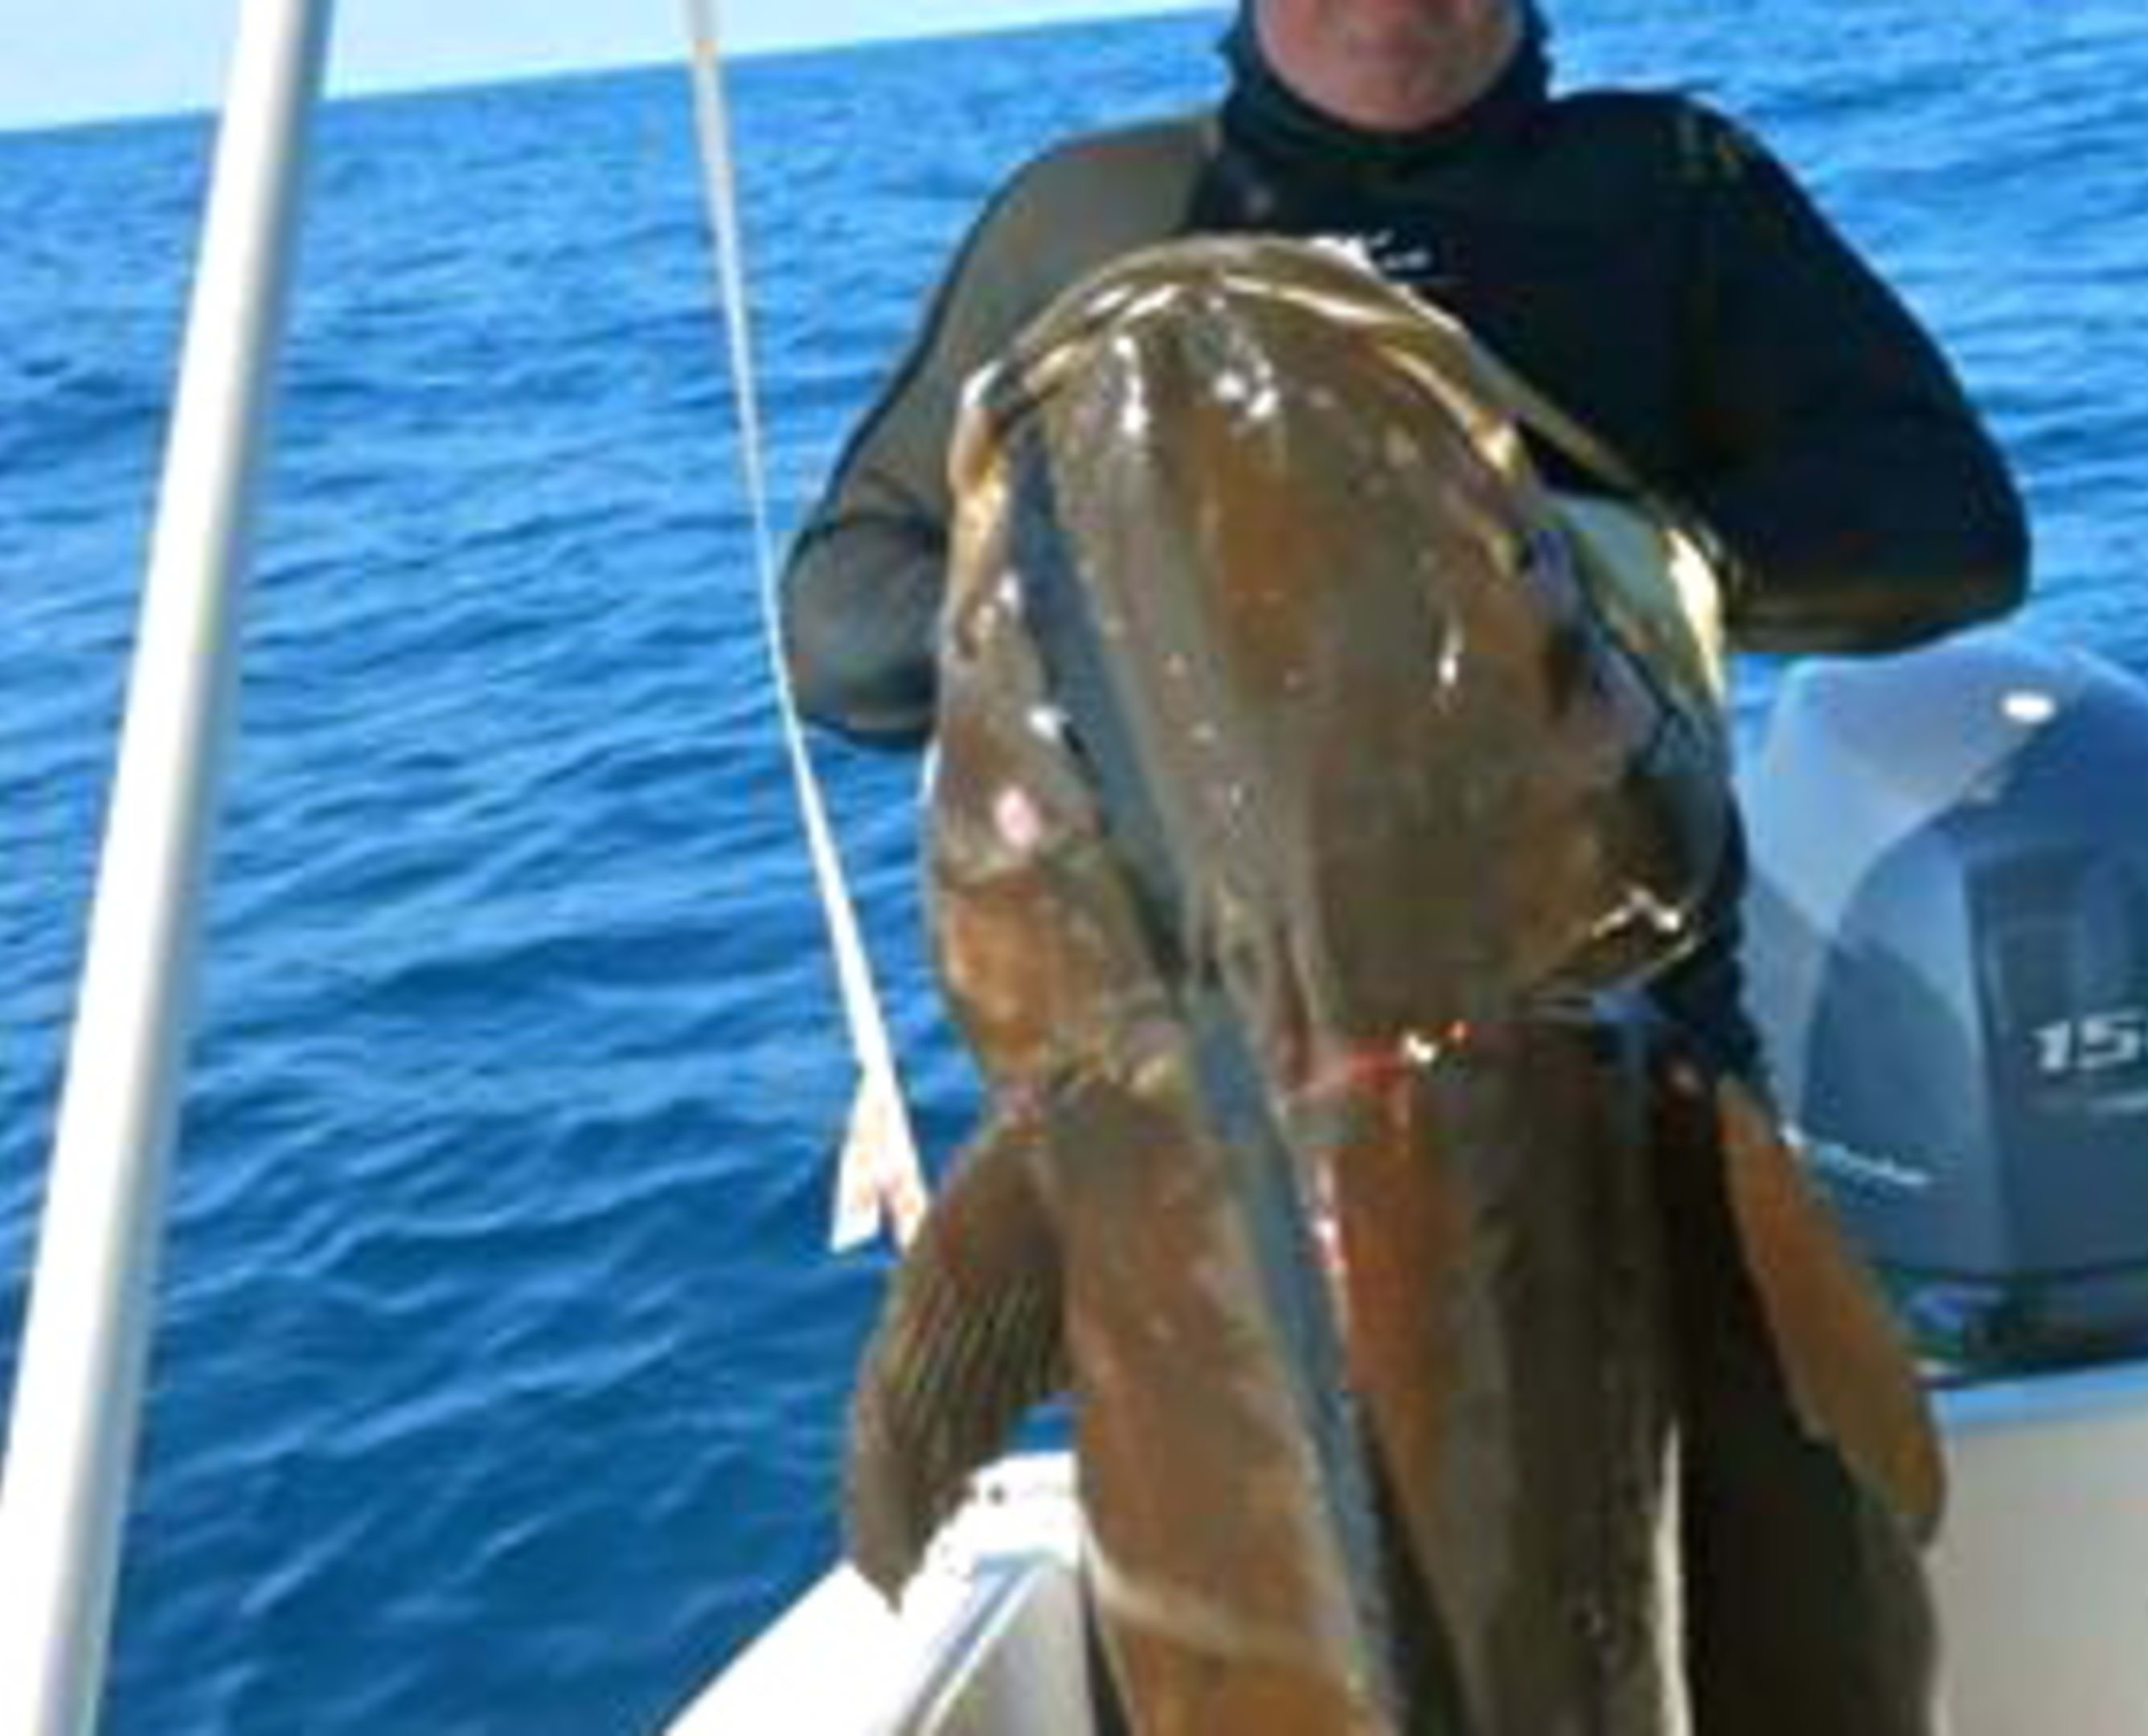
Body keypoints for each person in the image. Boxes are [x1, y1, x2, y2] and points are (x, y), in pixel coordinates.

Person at [784, 2, 2023, 1726]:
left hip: (1641, 1108)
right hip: (1172, 1154)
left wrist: (1653, 555)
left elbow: (1952, 532)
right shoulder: (1088, 227)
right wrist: (1034, 631)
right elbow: (841, 634)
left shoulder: (1673, 191)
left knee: (1813, 1623)